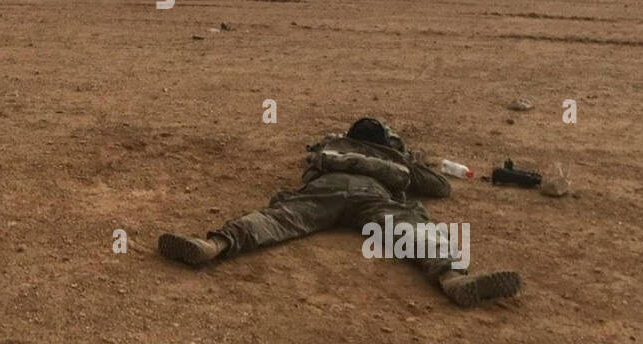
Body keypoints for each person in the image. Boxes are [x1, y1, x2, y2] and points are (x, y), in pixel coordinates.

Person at [158, 117, 521, 308]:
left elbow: (307, 169)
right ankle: (452, 278)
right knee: (411, 231)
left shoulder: (331, 147)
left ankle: (215, 245)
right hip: (372, 195)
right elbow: (440, 187)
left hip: (325, 191)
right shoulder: (390, 157)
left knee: (279, 218)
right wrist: (412, 159)